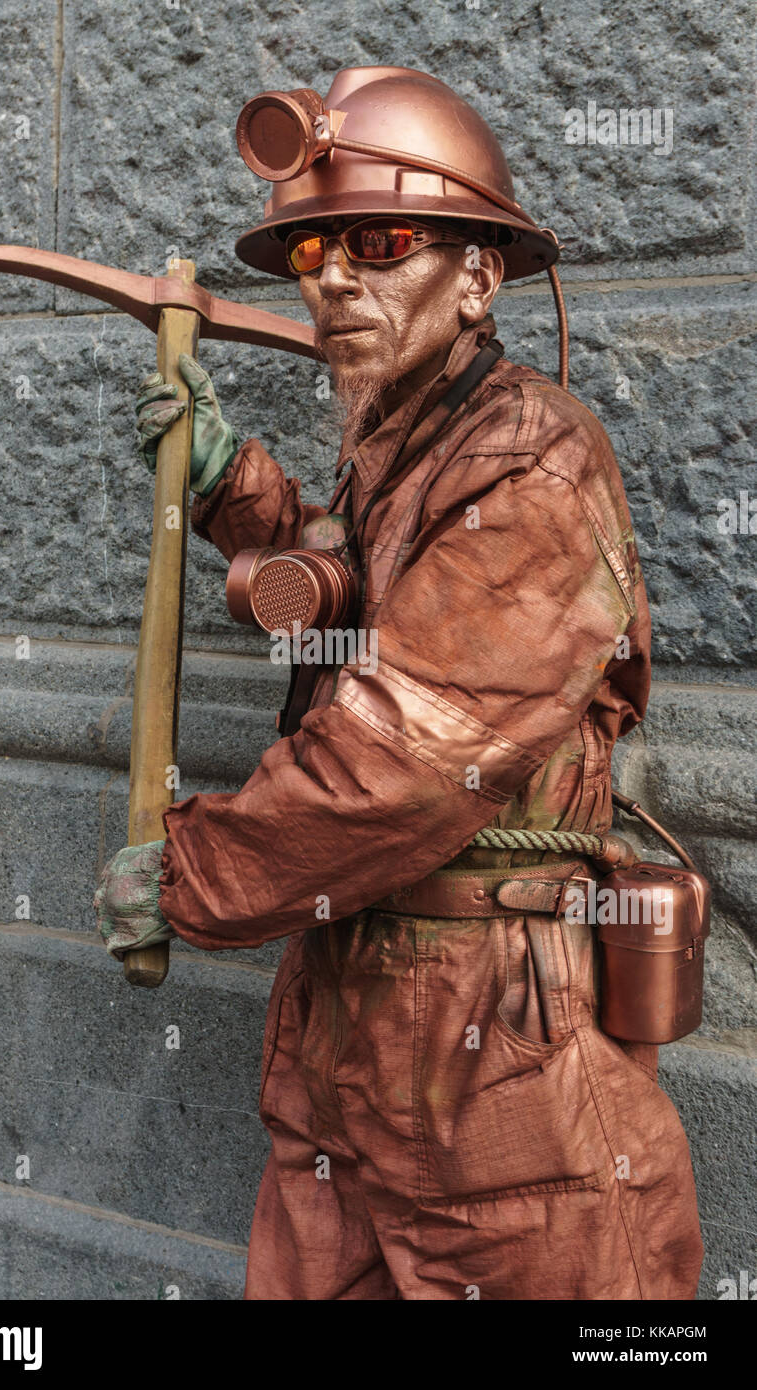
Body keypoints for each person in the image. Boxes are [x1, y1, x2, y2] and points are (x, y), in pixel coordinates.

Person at [94, 66, 703, 1300]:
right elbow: (370, 590)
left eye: (377, 243)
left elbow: (403, 753)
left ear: (477, 275)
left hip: (497, 1077)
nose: (329, 278)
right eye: (314, 247)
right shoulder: (411, 445)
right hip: (350, 1033)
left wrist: (192, 872)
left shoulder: (530, 457)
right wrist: (229, 487)